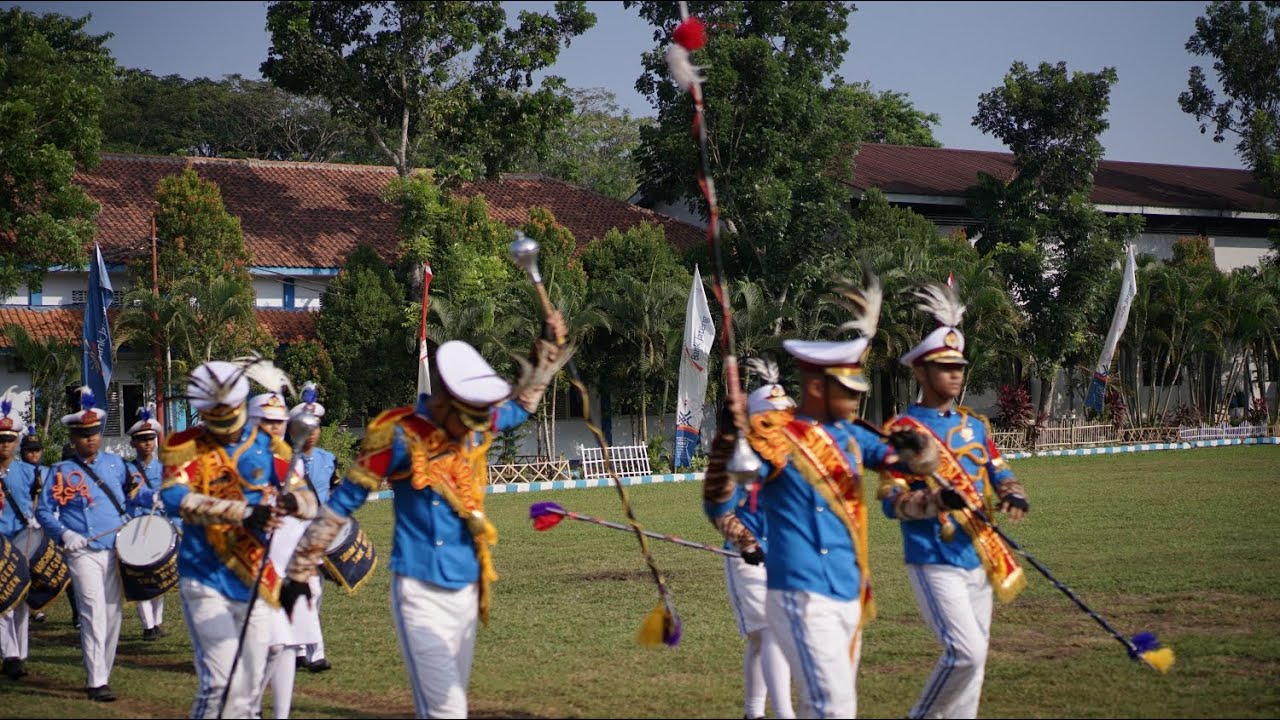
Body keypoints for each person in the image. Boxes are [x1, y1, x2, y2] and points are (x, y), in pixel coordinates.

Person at [280, 317, 568, 720]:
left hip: (468, 587)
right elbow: (343, 502)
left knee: (441, 709)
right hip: (419, 591)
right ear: (445, 399)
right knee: (448, 710)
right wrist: (298, 570)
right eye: (468, 419)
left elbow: (521, 406)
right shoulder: (398, 434)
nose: (475, 430)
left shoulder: (473, 420)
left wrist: (546, 348)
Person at [737, 275, 936, 719]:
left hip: (846, 586)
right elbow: (737, 498)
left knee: (829, 701)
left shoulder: (845, 437)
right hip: (789, 577)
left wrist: (916, 454)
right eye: (845, 391)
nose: (852, 400)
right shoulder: (769, 442)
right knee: (826, 699)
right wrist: (744, 534)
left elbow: (894, 458)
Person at [879, 282, 1030, 720]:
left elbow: (999, 470)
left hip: (978, 556)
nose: (956, 374)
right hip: (933, 557)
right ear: (921, 372)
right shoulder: (901, 429)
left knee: (976, 666)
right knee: (963, 654)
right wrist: (933, 502)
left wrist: (1013, 495)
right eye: (945, 366)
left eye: (959, 366)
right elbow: (891, 500)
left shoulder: (976, 426)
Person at [159, 361, 319, 719]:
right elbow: (175, 499)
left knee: (247, 691)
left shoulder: (270, 447)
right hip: (204, 578)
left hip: (254, 581)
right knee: (219, 683)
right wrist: (242, 512)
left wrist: (291, 501)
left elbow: (309, 502)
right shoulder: (184, 446)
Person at [36, 387, 144, 702]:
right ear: (73, 437)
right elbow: (43, 510)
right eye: (83, 435)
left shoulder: (116, 465)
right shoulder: (61, 472)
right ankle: (96, 680)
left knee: (112, 614)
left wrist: (160, 495)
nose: (90, 439)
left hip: (114, 547)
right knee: (93, 611)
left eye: (94, 433)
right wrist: (63, 534)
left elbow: (132, 497)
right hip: (82, 550)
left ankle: (103, 673)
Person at [702, 358, 795, 720]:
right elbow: (720, 511)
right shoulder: (739, 457)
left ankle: (753, 713)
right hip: (748, 557)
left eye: (785, 414)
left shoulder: (795, 456)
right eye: (772, 416)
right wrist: (746, 543)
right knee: (771, 631)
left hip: (788, 556)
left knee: (762, 638)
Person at [246, 391, 320, 720]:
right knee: (269, 645)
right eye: (267, 422)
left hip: (287, 563)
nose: (274, 428)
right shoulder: (238, 461)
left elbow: (310, 506)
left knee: (288, 644)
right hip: (248, 564)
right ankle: (247, 706)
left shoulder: (288, 461)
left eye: (279, 423)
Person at [288, 382, 335, 674]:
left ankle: (302, 649)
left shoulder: (329, 460)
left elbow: (332, 494)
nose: (312, 432)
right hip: (293, 534)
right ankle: (311, 652)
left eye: (316, 426)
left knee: (315, 594)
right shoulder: (285, 462)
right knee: (306, 591)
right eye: (306, 427)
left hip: (320, 533)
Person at [19, 426, 76, 628]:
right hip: (25, 527)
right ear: (23, 452)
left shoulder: (50, 471)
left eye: (37, 450)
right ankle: (33, 610)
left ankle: (77, 614)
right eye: (30, 450)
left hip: (50, 525)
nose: (34, 454)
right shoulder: (18, 471)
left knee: (63, 567)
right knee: (26, 570)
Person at [0, 389, 37, 680]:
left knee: (22, 599)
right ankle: (10, 654)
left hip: (23, 538)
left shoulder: (28, 471)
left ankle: (20, 653)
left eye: (10, 440)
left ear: (17, 442)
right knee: (2, 600)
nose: (4, 445)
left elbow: (37, 501)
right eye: (1, 439)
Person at [124, 403, 168, 641]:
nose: (147, 443)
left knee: (159, 575)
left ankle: (158, 622)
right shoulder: (126, 470)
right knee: (141, 576)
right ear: (133, 443)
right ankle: (147, 625)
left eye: (151, 438)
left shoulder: (164, 469)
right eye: (142, 439)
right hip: (135, 527)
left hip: (161, 526)